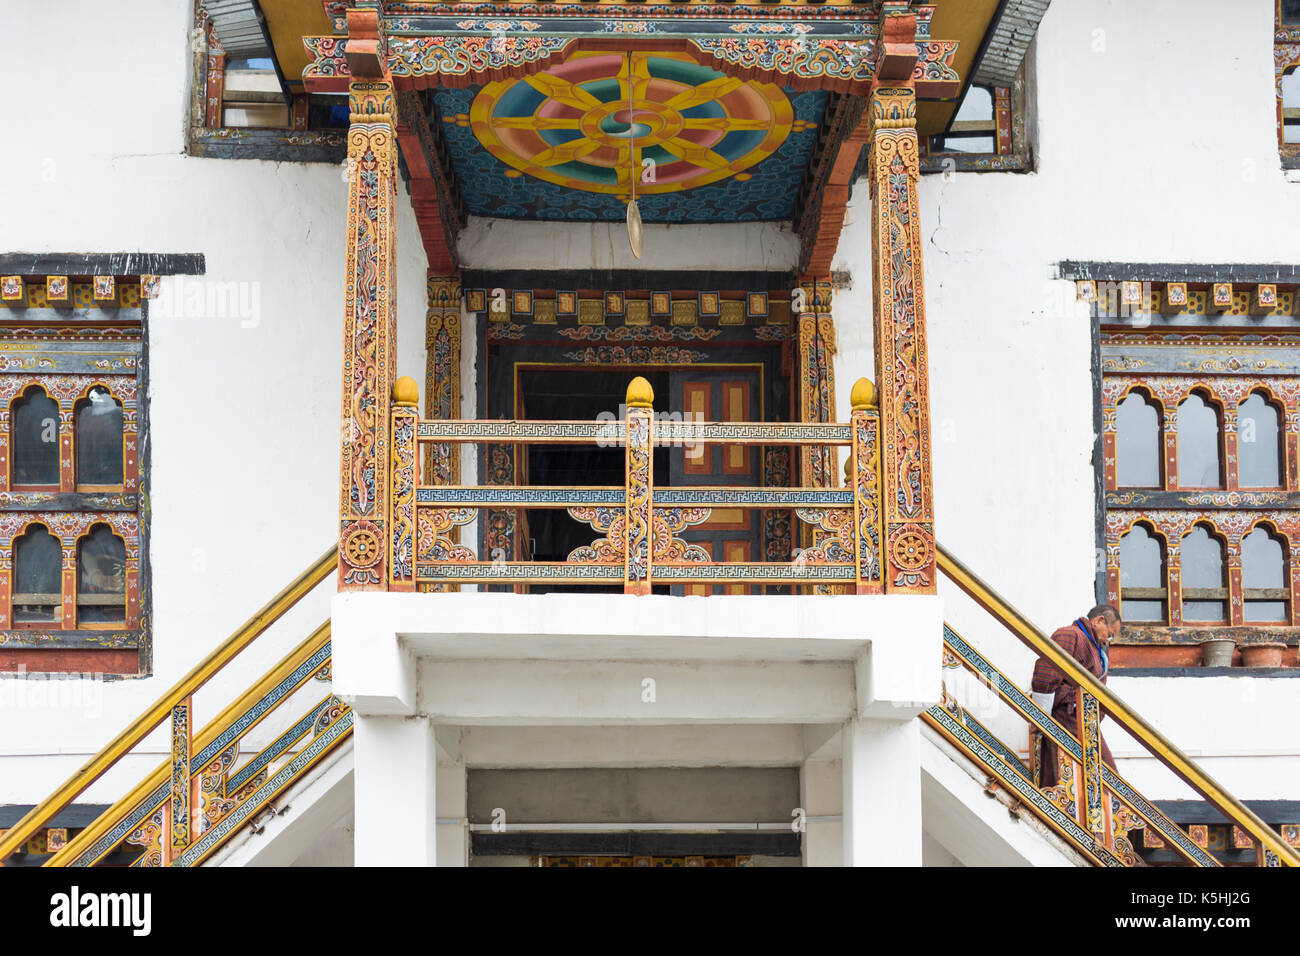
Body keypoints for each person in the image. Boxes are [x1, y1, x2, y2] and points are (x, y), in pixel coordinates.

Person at [1030, 605, 1121, 788]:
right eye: (1110, 634)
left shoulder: (1096, 649)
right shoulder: (1070, 635)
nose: (1108, 641)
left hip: (1083, 721)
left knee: (1095, 777)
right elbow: (1046, 675)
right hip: (1066, 715)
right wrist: (1040, 718)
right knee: (1098, 775)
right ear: (1099, 621)